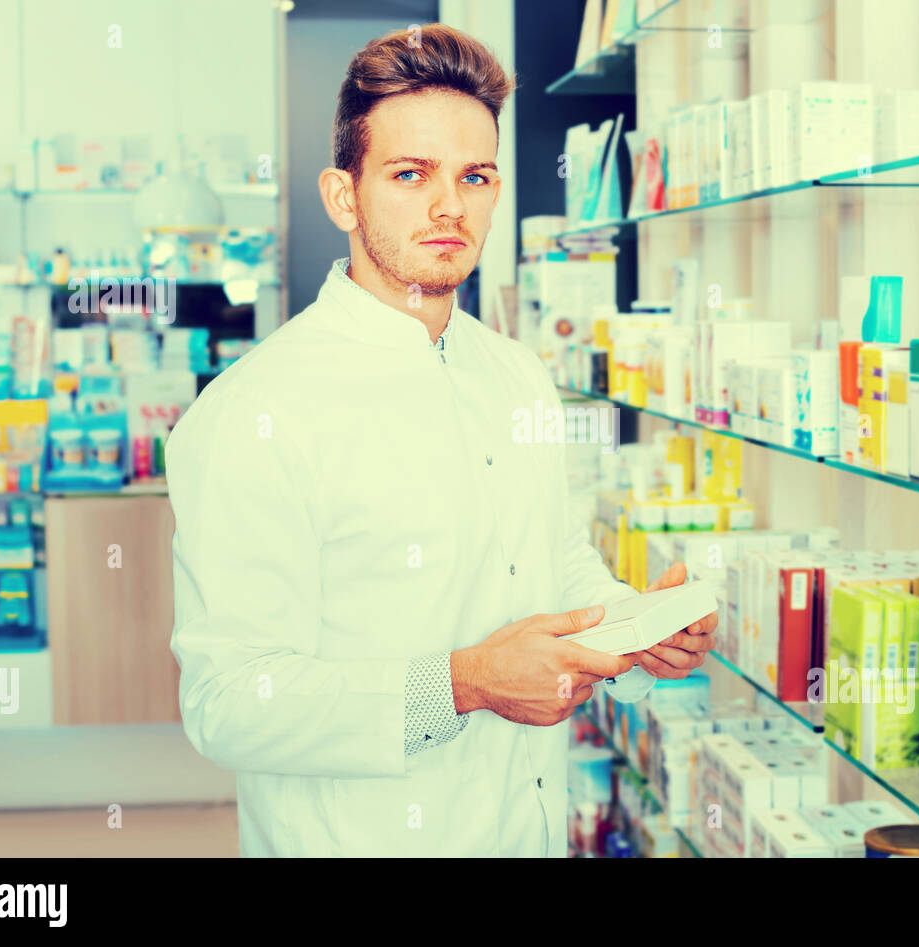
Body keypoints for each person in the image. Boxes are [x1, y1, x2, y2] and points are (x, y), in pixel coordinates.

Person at [166, 22, 715, 858]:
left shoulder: (517, 374)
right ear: (343, 196)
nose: (449, 205)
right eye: (410, 173)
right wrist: (465, 685)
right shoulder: (255, 411)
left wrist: (636, 628)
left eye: (475, 175)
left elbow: (554, 564)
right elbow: (231, 699)